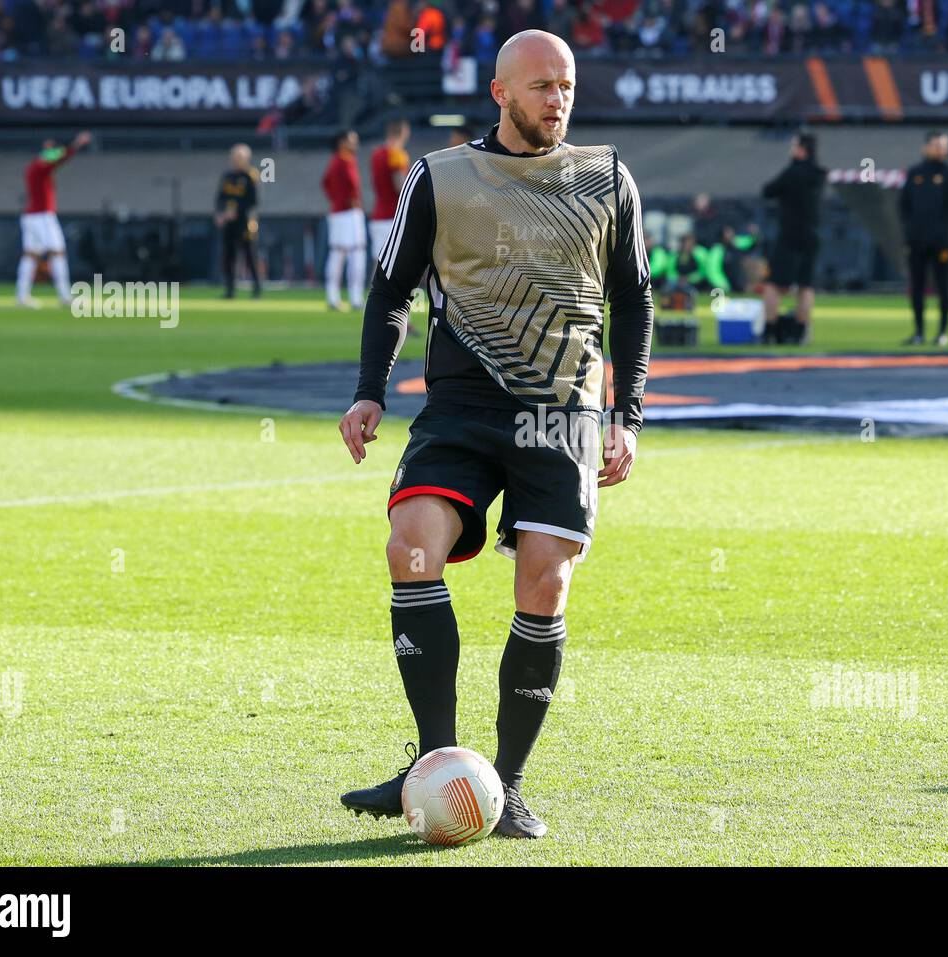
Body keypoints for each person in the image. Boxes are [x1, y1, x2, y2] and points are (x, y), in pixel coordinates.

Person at [336, 29, 653, 839]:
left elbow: (635, 301)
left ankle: (504, 785)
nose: (558, 99)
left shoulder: (607, 178)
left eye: (568, 85)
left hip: (565, 408)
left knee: (544, 581)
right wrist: (371, 391)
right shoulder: (440, 177)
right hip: (462, 404)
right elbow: (390, 290)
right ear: (502, 93)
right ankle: (437, 765)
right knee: (411, 543)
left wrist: (629, 412)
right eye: (542, 85)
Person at [761, 132, 826, 345]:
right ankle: (800, 332)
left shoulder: (792, 172)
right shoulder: (818, 174)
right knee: (805, 286)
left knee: (772, 284)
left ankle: (770, 330)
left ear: (801, 149)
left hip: (789, 235)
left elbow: (768, 191)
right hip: (812, 235)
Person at [17, 130, 91, 308]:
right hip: (41, 216)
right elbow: (58, 159)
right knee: (57, 252)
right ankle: (65, 296)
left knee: (31, 256)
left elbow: (55, 159)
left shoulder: (33, 167)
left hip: (30, 216)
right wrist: (76, 144)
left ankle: (21, 296)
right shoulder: (40, 167)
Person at [899, 131, 948, 346]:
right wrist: (910, 232)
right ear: (926, 148)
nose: (940, 149)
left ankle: (942, 332)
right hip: (916, 241)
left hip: (940, 242)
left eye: (943, 145)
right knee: (916, 287)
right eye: (936, 145)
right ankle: (918, 332)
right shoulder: (915, 173)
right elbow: (904, 206)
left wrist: (940, 233)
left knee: (943, 287)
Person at [321, 130, 367, 312]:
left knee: (336, 254)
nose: (355, 144)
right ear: (342, 142)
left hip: (337, 212)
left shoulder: (334, 160)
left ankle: (332, 296)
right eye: (352, 141)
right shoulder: (346, 160)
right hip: (349, 213)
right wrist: (352, 201)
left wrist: (335, 199)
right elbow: (353, 186)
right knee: (357, 253)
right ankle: (355, 297)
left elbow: (324, 183)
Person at [214, 144, 262, 299]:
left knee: (250, 255)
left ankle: (257, 288)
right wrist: (220, 214)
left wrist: (236, 211)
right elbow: (220, 198)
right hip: (229, 223)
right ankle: (230, 289)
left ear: (246, 158)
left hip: (245, 222)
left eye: (239, 157)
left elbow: (253, 200)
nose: (236, 160)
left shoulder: (251, 175)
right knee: (229, 256)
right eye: (234, 157)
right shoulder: (227, 176)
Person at [368, 118, 412, 262]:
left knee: (378, 262)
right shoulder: (397, 154)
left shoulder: (376, 153)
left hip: (378, 214)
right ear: (403, 132)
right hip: (394, 216)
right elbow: (399, 185)